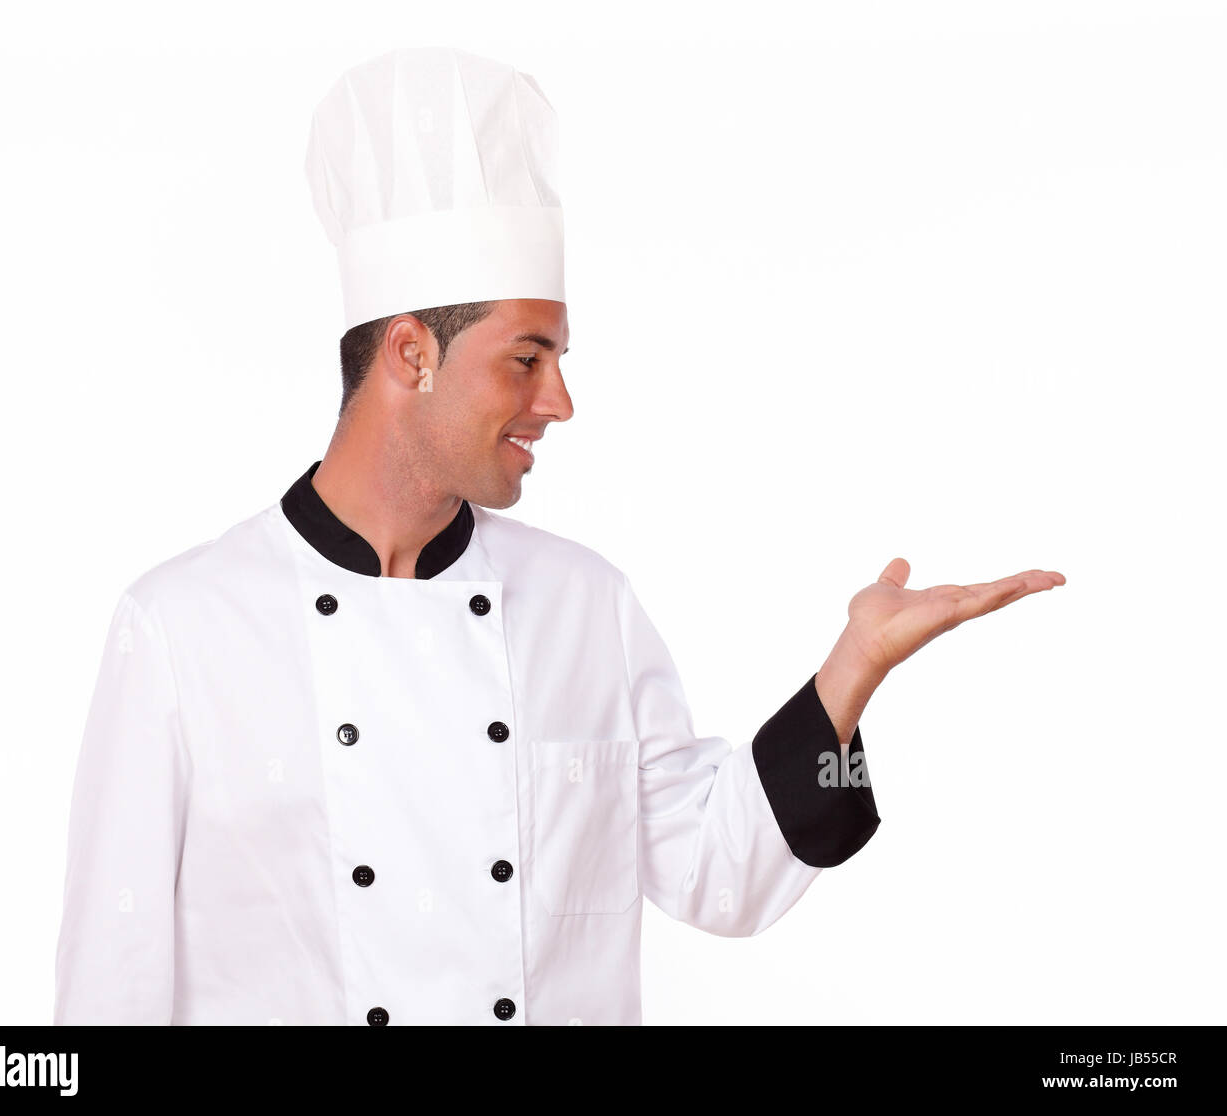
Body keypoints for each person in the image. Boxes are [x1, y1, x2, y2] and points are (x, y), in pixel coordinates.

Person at [53, 46, 1064, 1026]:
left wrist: (853, 668)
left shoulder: (588, 608)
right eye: (526, 359)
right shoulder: (183, 629)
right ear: (410, 354)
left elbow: (721, 874)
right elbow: (114, 976)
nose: (561, 400)